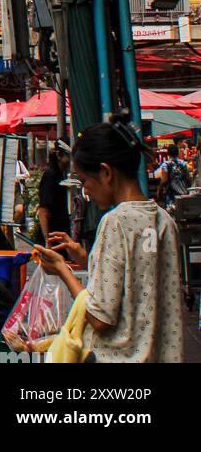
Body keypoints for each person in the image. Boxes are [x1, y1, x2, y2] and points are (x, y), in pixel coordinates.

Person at [33, 119, 186, 363]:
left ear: (106, 172)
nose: (85, 191)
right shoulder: (164, 221)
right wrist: (86, 258)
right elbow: (139, 277)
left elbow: (100, 318)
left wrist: (62, 269)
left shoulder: (115, 222)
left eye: (84, 181)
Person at [37, 145, 72, 243]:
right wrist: (47, 241)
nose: (70, 161)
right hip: (52, 236)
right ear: (59, 155)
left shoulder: (60, 174)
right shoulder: (50, 175)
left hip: (59, 235)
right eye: (68, 156)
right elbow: (43, 210)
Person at [154, 143, 193, 209]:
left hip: (171, 196)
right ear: (177, 153)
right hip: (183, 194)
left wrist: (159, 189)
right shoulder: (183, 163)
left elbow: (164, 180)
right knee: (183, 213)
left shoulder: (165, 165)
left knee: (172, 214)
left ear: (168, 153)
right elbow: (187, 178)